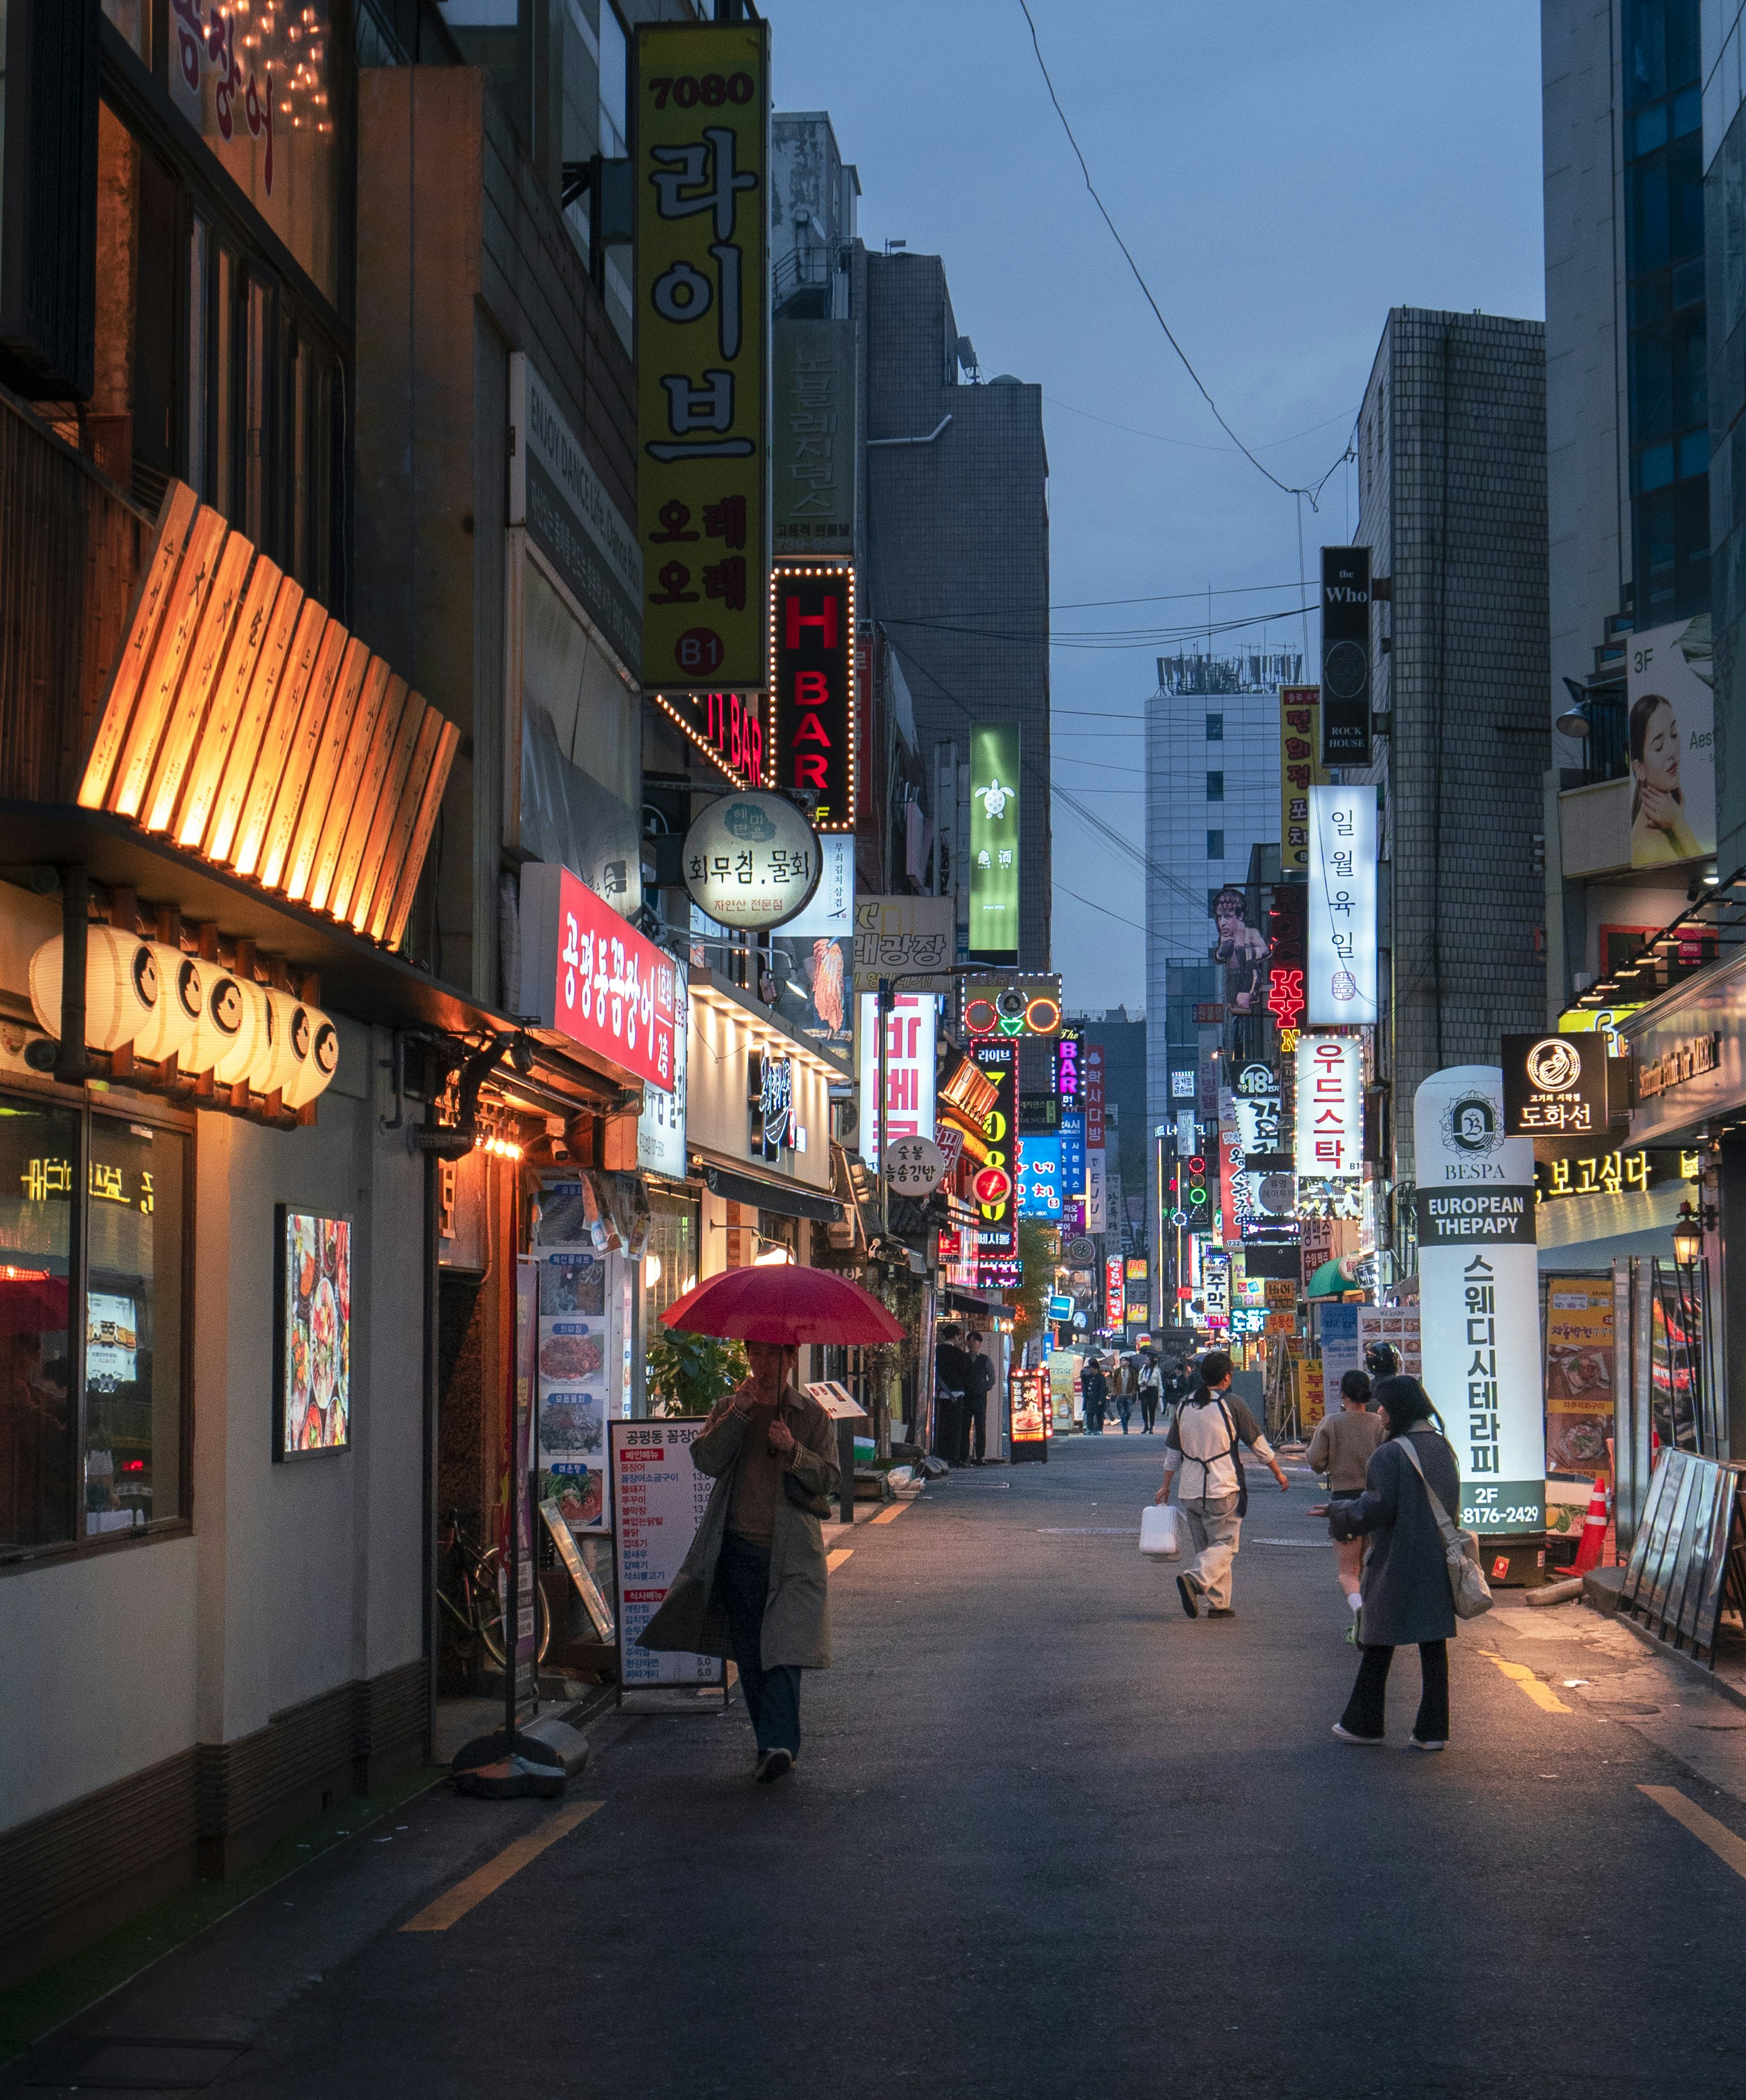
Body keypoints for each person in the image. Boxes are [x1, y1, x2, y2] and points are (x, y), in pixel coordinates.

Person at [638, 1339, 839, 1783]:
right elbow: (705, 1460)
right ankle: (769, 1744)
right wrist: (739, 1414)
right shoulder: (730, 1406)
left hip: (794, 1553)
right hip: (738, 1546)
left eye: (773, 1355)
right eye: (756, 1354)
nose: (763, 1364)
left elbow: (829, 1480)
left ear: (792, 1358)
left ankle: (781, 1743)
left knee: (785, 1649)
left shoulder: (811, 1416)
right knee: (750, 1651)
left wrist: (794, 1450)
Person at [1327, 1374, 1460, 1751]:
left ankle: (1365, 1723)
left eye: (1384, 1405)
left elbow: (1377, 1507)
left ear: (1398, 1408)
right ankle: (1432, 1730)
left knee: (1378, 1635)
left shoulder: (1391, 1453)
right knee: (1433, 1643)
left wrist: (1339, 1512)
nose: (1379, 1411)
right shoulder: (1441, 1446)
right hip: (1436, 1556)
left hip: (1398, 1556)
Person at [1154, 1351, 1289, 1618]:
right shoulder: (1233, 1403)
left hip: (1190, 1490)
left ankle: (1218, 1604)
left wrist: (1166, 1485)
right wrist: (1278, 1472)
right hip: (1223, 1487)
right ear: (1227, 1377)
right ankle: (1195, 1579)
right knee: (1226, 1545)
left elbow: (1173, 1454)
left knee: (1208, 1549)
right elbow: (1257, 1444)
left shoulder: (1183, 1405)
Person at [1306, 1369, 1386, 1630]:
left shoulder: (1331, 1423)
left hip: (1343, 1502)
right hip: (1375, 1501)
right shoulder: (1378, 1424)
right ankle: (1370, 1619)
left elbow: (1316, 1462)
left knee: (1347, 1573)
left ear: (1342, 1394)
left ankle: (1361, 1612)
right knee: (1370, 1568)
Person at [1629, 691, 1704, 864]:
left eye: (1674, 734)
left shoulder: (1668, 817)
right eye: (1658, 746)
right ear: (1639, 768)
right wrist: (1678, 823)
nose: (1672, 751)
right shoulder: (1650, 843)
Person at [933, 1323, 970, 1465]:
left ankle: (940, 1453)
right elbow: (966, 1372)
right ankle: (953, 1456)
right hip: (957, 1394)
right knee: (955, 1428)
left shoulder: (938, 1351)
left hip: (942, 1393)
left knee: (942, 1425)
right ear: (956, 1337)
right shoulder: (959, 1354)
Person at [963, 1332, 997, 1463]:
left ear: (980, 1343)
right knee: (964, 1427)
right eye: (970, 1341)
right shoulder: (963, 1358)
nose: (972, 1344)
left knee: (980, 1426)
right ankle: (964, 1455)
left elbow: (992, 1378)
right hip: (965, 1396)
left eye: (975, 1341)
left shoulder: (985, 1359)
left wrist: (984, 1388)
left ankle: (980, 1456)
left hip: (979, 1397)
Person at [1136, 1349, 1163, 1434]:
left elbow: (1160, 1382)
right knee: (1144, 1409)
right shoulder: (1142, 1370)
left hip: (1153, 1390)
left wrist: (1161, 1394)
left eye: (1147, 1360)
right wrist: (1142, 1383)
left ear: (1151, 1361)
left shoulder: (1157, 1371)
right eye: (1145, 1360)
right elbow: (1139, 1381)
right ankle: (1146, 1425)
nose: (1146, 1361)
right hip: (1144, 1390)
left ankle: (1151, 1426)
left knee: (1152, 1409)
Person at [1081, 1352, 1109, 1434]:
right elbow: (1084, 1381)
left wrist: (1101, 1399)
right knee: (1090, 1414)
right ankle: (1090, 1429)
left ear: (1095, 1369)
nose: (1090, 1370)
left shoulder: (1101, 1378)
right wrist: (1083, 1374)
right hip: (1090, 1398)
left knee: (1099, 1415)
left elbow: (1103, 1389)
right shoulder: (1089, 1377)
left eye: (1091, 1368)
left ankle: (1099, 1429)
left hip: (1098, 1399)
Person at [1113, 1357, 1135, 1435]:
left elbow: (1134, 1383)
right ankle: (1125, 1429)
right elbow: (1114, 1383)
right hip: (1120, 1395)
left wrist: (1132, 1392)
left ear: (1128, 1363)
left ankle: (1124, 1422)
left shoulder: (1132, 1372)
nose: (1122, 1362)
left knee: (1129, 1412)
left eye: (1124, 1360)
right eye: (1122, 1360)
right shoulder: (1117, 1371)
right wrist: (1116, 1392)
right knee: (1122, 1412)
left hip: (1128, 1395)